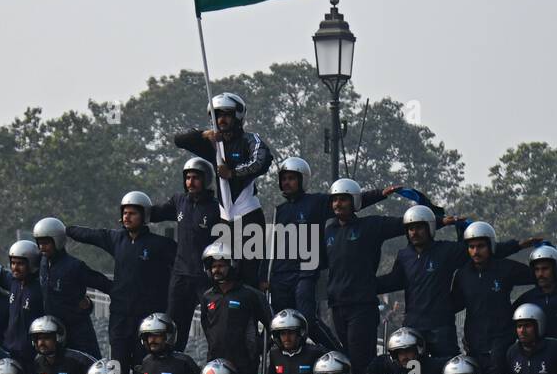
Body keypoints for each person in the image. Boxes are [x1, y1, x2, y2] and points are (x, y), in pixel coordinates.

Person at [269, 157, 392, 348]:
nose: (287, 182)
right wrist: (264, 276)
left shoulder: (316, 202)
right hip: (280, 275)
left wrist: (380, 194)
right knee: (281, 323)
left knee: (307, 319)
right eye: (284, 179)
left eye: (292, 178)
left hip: (305, 273)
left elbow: (349, 200)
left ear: (303, 180)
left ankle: (336, 353)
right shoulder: (279, 211)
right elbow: (270, 247)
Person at [67, 191, 178, 371]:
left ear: (144, 216)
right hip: (120, 316)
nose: (127, 216)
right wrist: (65, 229)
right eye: (125, 213)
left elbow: (182, 267)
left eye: (132, 213)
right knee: (118, 367)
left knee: (145, 366)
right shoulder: (116, 239)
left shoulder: (161, 244)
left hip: (147, 318)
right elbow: (90, 234)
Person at [172, 91, 273, 287]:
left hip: (248, 216)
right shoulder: (213, 144)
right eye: (217, 115)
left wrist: (233, 172)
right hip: (224, 220)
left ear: (237, 115)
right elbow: (179, 139)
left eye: (226, 114)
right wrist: (203, 135)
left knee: (248, 278)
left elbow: (262, 160)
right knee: (225, 276)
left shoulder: (250, 140)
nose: (221, 119)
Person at [322, 178, 415, 374]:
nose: (338, 204)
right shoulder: (328, 230)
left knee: (361, 361)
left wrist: (440, 220)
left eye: (344, 199)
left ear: (355, 202)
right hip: (336, 307)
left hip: (362, 306)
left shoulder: (371, 226)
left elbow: (410, 224)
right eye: (335, 199)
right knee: (343, 361)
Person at [449, 221, 555, 370]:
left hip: (503, 339)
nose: (475, 251)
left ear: (491, 246)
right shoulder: (462, 275)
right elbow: (453, 305)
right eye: (471, 247)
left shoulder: (505, 268)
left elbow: (542, 276)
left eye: (480, 246)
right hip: (474, 342)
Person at [373, 205, 474, 357]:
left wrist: (459, 227)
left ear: (430, 228)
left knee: (446, 369)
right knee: (414, 373)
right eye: (411, 228)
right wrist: (365, 284)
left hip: (441, 326)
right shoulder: (404, 255)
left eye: (419, 227)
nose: (414, 232)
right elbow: (394, 281)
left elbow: (473, 251)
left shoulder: (446, 250)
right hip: (413, 326)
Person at [149, 158, 224, 350]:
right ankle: (173, 366)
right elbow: (155, 213)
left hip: (206, 278)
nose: (190, 182)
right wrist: (136, 210)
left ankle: (217, 367)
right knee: (173, 326)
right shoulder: (179, 201)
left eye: (196, 178)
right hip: (180, 276)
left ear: (206, 180)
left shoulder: (217, 208)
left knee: (215, 327)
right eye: (188, 177)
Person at [32, 217, 109, 358]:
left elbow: (103, 283)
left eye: (46, 243)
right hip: (53, 332)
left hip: (78, 331)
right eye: (39, 243)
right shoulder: (42, 263)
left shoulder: (74, 266)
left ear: (58, 241)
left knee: (90, 365)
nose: (42, 247)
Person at [199, 242, 270, 374]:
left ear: (232, 265)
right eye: (213, 266)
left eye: (221, 266)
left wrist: (259, 345)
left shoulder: (250, 295)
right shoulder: (207, 297)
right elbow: (206, 326)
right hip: (216, 361)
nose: (216, 270)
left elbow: (272, 325)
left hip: (244, 363)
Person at [4, 240, 46, 369]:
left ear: (32, 263)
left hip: (32, 354)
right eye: (13, 263)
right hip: (10, 351)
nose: (15, 268)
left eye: (20, 264)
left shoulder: (41, 288)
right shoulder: (13, 283)